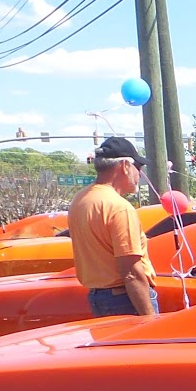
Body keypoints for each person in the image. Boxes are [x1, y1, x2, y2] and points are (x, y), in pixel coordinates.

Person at [68, 136, 158, 317]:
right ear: (125, 166)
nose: (139, 174)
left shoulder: (80, 200)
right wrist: (149, 318)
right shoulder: (119, 207)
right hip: (125, 299)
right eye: (138, 168)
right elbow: (131, 272)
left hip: (98, 296)